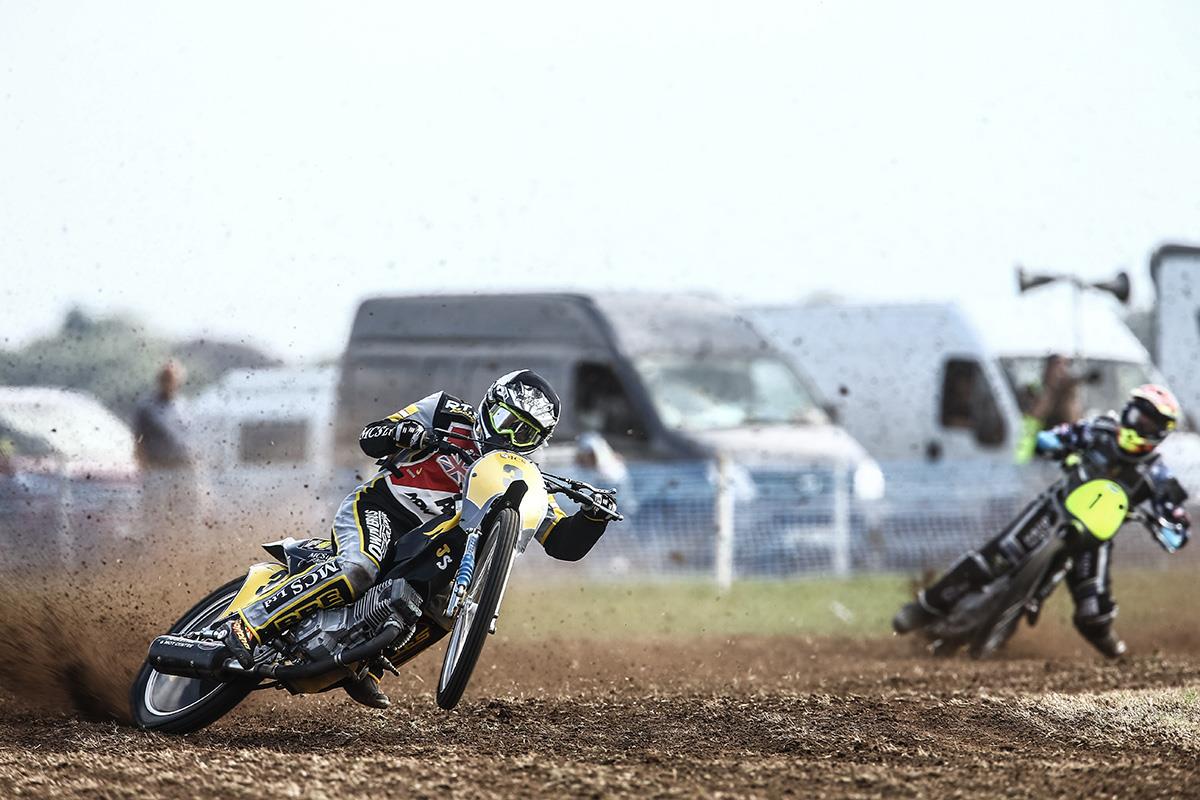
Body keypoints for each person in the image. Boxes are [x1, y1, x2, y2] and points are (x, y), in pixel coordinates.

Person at [217, 370, 619, 708]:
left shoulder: (523, 480)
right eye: (504, 420)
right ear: (488, 405)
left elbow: (562, 543)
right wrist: (404, 432)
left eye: (524, 434)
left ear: (537, 444)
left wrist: (592, 517)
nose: (509, 436)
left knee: (447, 607)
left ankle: (366, 664)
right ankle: (248, 624)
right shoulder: (447, 412)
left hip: (432, 548)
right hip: (383, 509)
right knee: (360, 567)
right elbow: (370, 437)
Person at [895, 384, 1191, 658]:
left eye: (1148, 423)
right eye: (1137, 416)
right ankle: (924, 607)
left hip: (1094, 539)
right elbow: (1051, 439)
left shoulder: (1158, 475)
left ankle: (1116, 651)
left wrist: (1166, 528)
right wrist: (1058, 447)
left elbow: (1178, 524)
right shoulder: (1100, 431)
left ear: (1160, 432)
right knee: (995, 559)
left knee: (1092, 612)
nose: (1138, 425)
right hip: (1054, 509)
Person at [133, 361, 194, 470]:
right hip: (157, 465)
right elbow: (139, 438)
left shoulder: (184, 405)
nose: (168, 383)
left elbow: (190, 435)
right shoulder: (147, 407)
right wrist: (142, 463)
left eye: (172, 379)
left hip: (182, 465)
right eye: (165, 379)